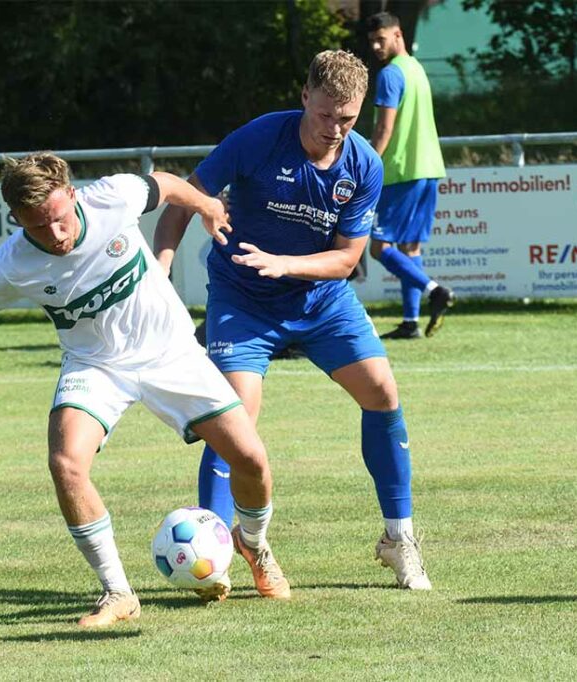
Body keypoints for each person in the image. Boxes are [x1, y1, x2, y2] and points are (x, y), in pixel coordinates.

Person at [0, 152, 291, 627]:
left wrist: (207, 206)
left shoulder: (113, 196)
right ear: (16, 220)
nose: (56, 235)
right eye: (38, 227)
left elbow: (166, 185)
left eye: (59, 218)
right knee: (65, 462)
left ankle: (252, 545)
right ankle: (118, 592)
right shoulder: (11, 263)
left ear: (71, 193)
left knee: (251, 458)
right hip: (96, 365)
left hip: (171, 352)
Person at [155, 50, 432, 590]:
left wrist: (285, 265)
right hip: (243, 299)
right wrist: (160, 272)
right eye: (326, 114)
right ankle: (224, 552)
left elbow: (347, 259)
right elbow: (185, 200)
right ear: (305, 96)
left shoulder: (363, 165)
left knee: (382, 390)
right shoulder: (258, 138)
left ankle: (399, 540)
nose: (335, 129)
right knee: (233, 418)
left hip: (320, 300)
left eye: (348, 119)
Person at [366, 12, 454, 340]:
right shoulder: (416, 69)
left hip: (401, 171)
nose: (376, 45)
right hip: (429, 169)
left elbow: (383, 127)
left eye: (381, 39)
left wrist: (367, 165)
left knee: (378, 248)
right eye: (372, 41)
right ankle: (410, 322)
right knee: (410, 249)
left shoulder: (390, 74)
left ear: (398, 34)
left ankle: (434, 290)